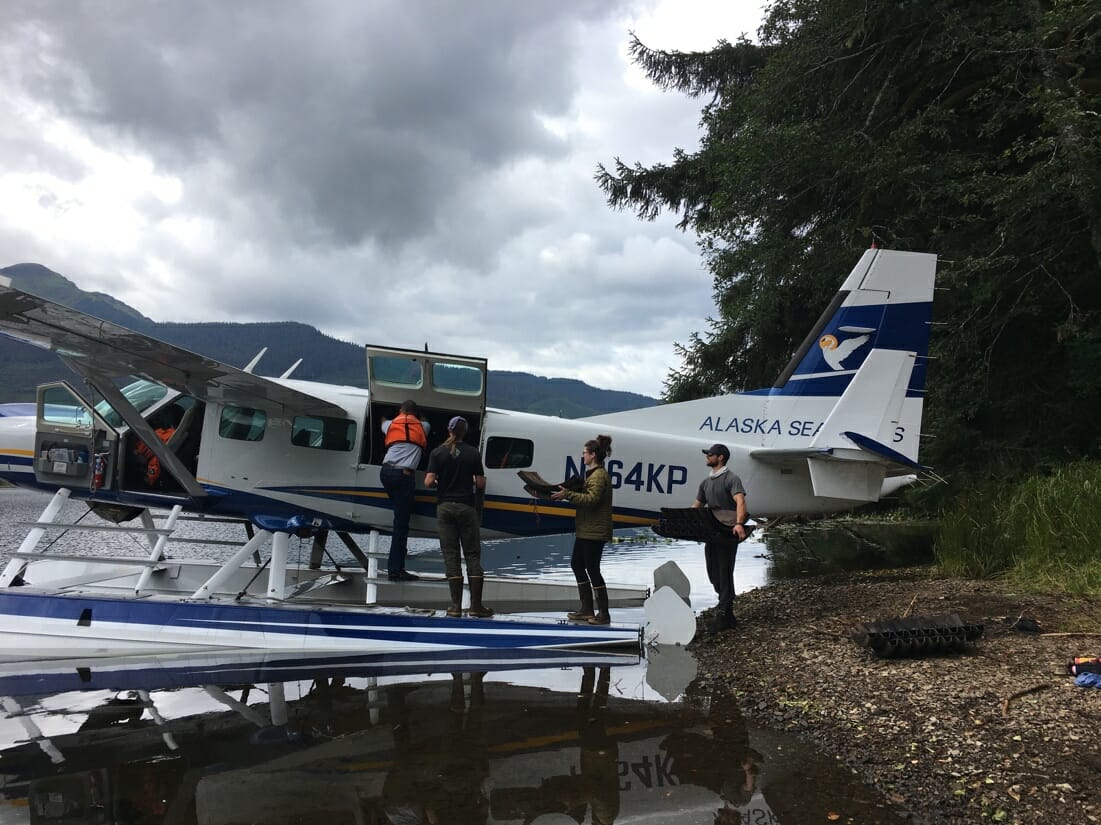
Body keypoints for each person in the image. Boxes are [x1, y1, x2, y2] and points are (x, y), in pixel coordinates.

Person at [425, 416, 494, 618]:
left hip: (445, 508)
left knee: (451, 556)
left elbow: (429, 482)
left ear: (449, 429)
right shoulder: (473, 453)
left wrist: (440, 481)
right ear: (465, 432)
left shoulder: (437, 452)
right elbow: (480, 484)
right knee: (472, 555)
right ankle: (476, 606)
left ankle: (455, 607)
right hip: (466, 508)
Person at [551, 435, 614, 625]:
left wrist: (568, 494)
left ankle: (603, 613)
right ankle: (586, 609)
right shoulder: (593, 475)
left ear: (593, 455)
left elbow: (592, 499)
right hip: (586, 530)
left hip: (594, 532)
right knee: (577, 565)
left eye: (585, 453)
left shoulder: (599, 476)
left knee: (593, 569)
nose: (583, 456)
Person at [692, 443, 748, 632]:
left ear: (721, 457)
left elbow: (740, 500)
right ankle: (729, 614)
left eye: (710, 454)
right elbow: (697, 506)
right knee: (712, 571)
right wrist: (686, 524)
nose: (707, 457)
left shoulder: (731, 478)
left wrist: (739, 523)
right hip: (712, 531)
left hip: (728, 531)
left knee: (724, 571)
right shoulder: (705, 482)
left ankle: (724, 614)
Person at [381, 400, 430, 582]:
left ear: (401, 411)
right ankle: (395, 571)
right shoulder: (423, 426)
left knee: (400, 514)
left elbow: (382, 420)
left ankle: (398, 559)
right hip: (403, 476)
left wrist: (390, 414)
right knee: (401, 526)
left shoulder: (391, 425)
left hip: (385, 473)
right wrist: (419, 414)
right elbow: (425, 420)